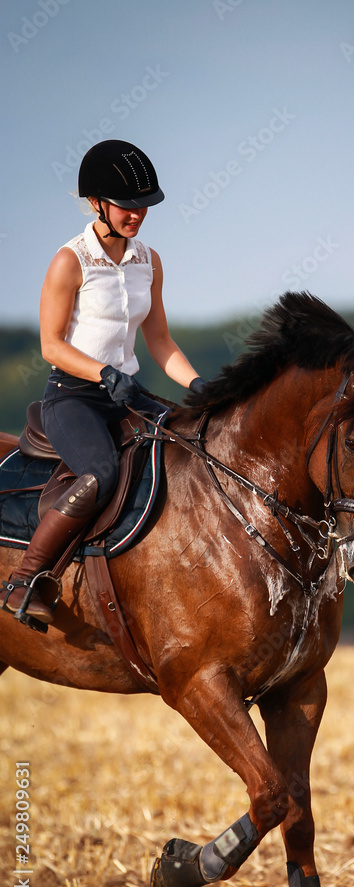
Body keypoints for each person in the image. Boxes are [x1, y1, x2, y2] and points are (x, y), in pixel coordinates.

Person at [1, 139, 205, 627]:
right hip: (74, 398)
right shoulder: (69, 261)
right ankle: (25, 580)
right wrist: (103, 372)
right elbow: (51, 345)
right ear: (96, 203)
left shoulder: (149, 261)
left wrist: (200, 387)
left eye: (144, 206)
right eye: (127, 206)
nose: (137, 215)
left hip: (126, 394)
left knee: (192, 453)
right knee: (101, 474)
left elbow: (160, 341)